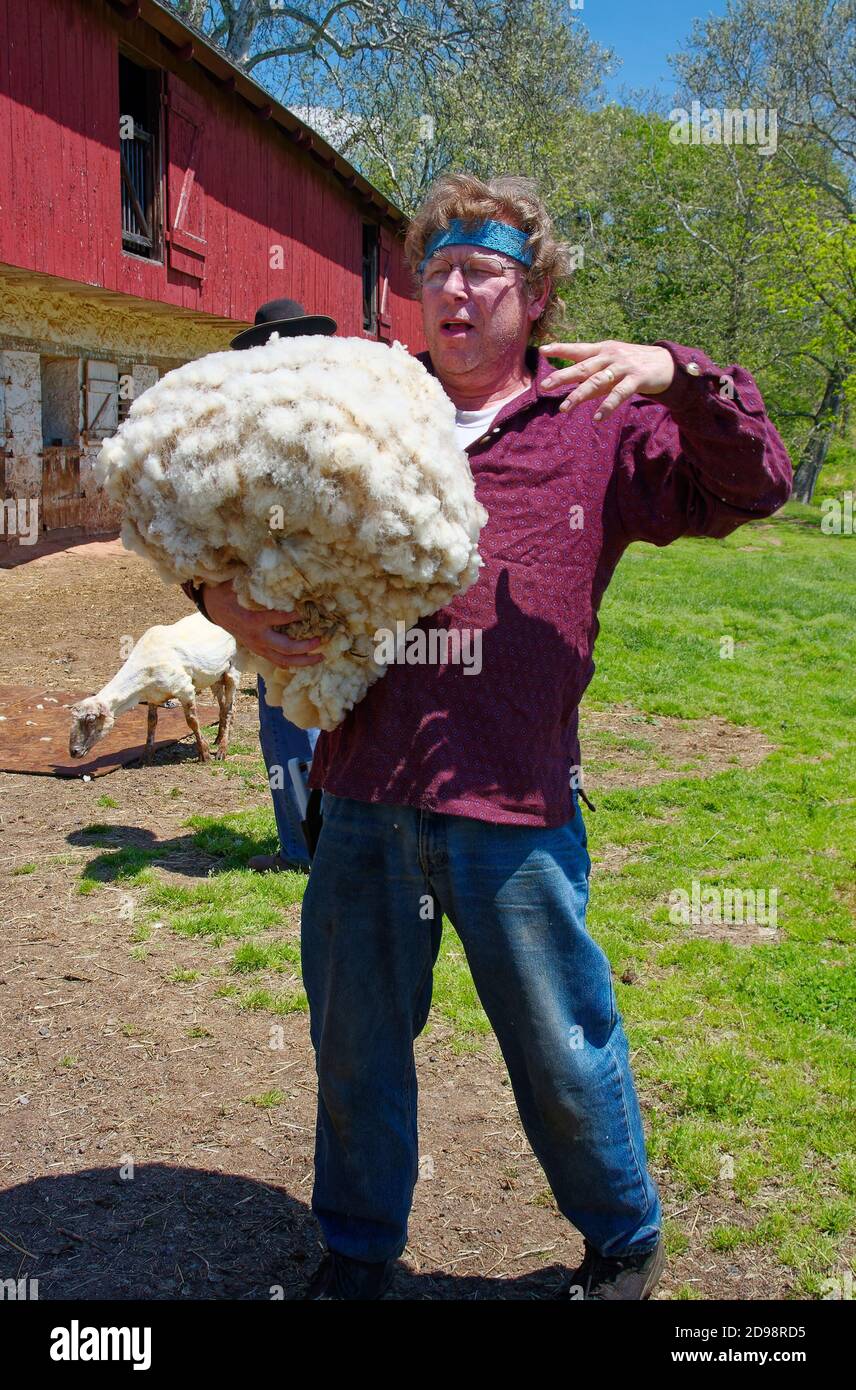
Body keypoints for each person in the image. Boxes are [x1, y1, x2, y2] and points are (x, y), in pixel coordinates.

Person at [201, 174, 793, 1301]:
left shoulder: (596, 422)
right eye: (437, 271)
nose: (456, 291)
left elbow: (754, 483)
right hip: (363, 791)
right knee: (355, 1048)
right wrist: (223, 605)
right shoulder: (367, 408)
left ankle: (623, 1240)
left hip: (513, 804)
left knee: (563, 1050)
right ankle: (358, 1250)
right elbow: (221, 517)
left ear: (536, 295)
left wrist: (680, 373)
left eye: (485, 271)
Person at [183, 299, 334, 873]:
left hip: (345, 604)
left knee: (334, 725)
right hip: (269, 609)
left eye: (293, 345)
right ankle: (303, 847)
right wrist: (212, 594)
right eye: (271, 347)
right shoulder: (238, 439)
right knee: (289, 729)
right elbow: (202, 536)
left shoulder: (342, 421)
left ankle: (332, 846)